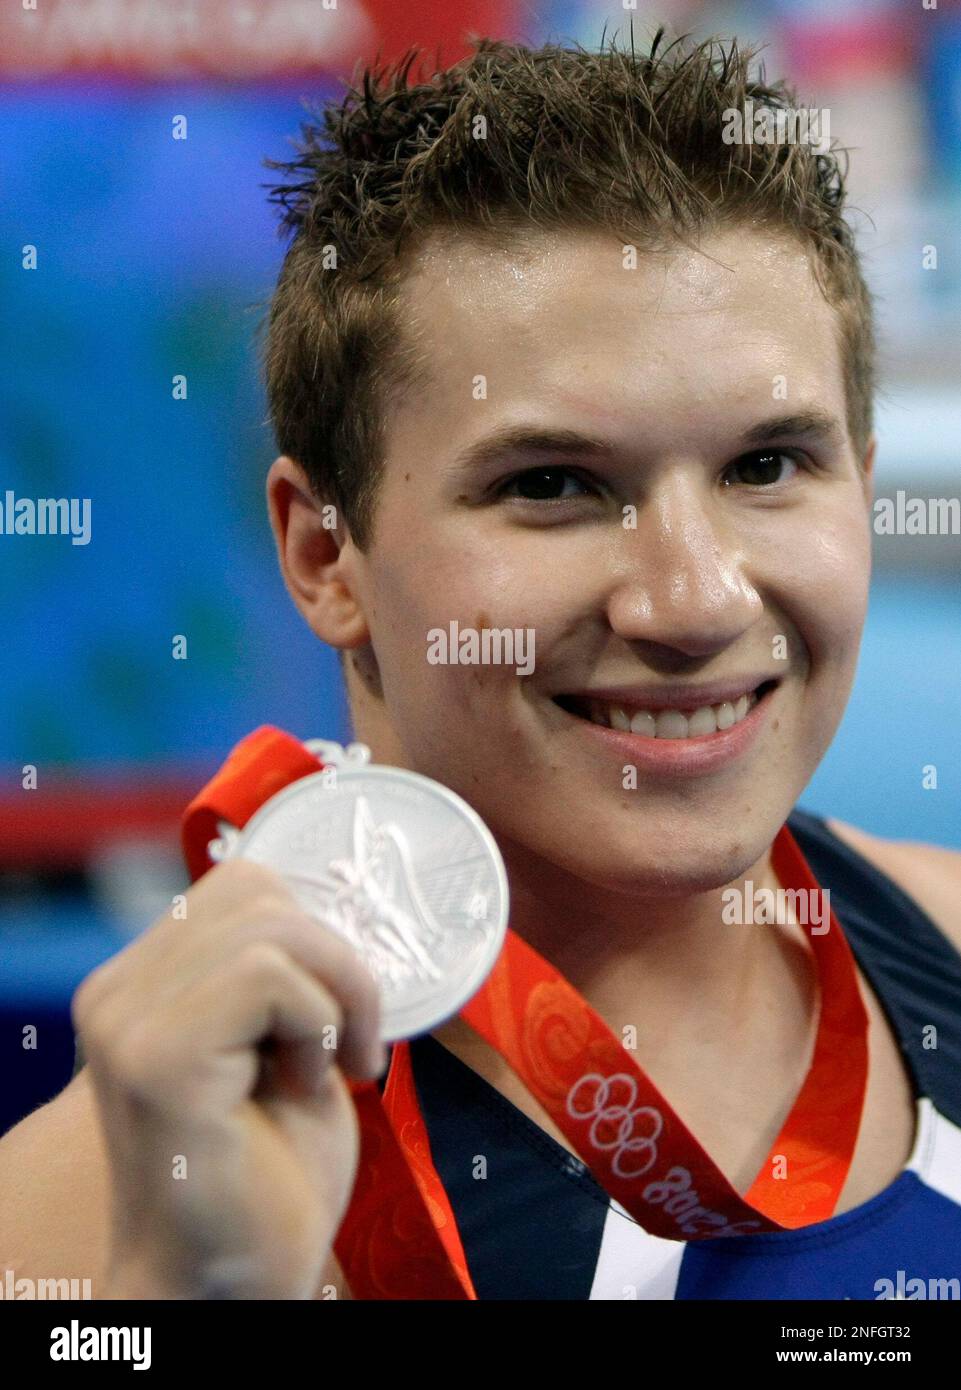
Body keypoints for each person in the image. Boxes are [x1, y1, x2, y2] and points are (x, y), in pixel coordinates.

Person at [3, 29, 960, 1301]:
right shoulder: (95, 1212)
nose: (693, 599)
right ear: (323, 551)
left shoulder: (946, 934)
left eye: (766, 466)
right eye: (552, 484)